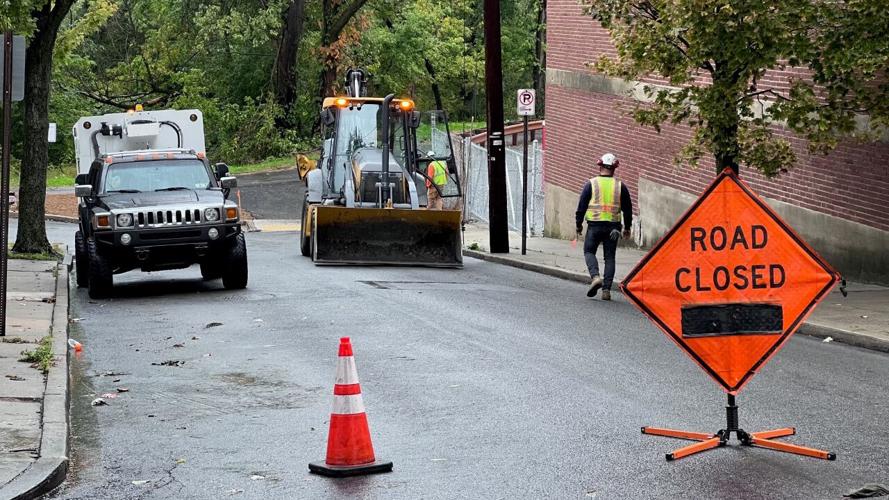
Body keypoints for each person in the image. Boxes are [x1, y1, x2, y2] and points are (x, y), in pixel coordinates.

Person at [575, 153, 633, 300]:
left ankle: (595, 277)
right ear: (614, 168)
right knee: (610, 257)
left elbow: (581, 207)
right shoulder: (620, 186)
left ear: (600, 166)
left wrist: (578, 225)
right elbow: (628, 209)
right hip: (613, 228)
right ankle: (606, 291)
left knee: (589, 251)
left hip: (594, 226)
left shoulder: (591, 184)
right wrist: (627, 228)